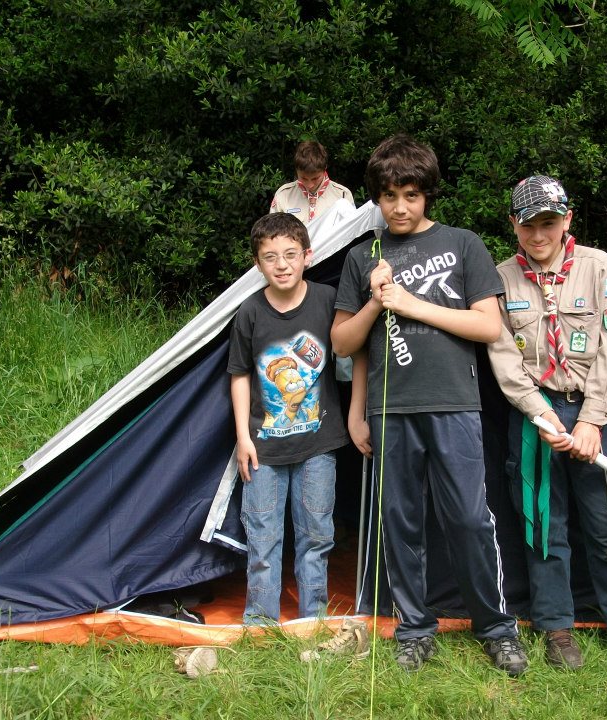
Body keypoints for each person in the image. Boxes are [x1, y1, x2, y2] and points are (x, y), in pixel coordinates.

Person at [331, 134, 528, 676]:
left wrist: (412, 303)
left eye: (411, 195)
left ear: (427, 196)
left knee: (468, 519)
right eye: (389, 196)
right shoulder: (361, 258)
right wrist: (375, 303)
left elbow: (488, 325)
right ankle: (414, 629)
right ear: (375, 197)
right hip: (390, 412)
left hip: (455, 405)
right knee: (401, 521)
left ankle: (496, 628)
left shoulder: (463, 245)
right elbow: (346, 344)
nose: (399, 207)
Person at [487, 175, 607, 669]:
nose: (539, 235)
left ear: (567, 220)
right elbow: (502, 355)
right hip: (535, 416)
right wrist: (539, 414)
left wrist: (593, 419)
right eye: (528, 224)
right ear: (513, 224)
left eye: (549, 223)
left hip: (592, 412)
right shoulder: (500, 277)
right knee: (542, 524)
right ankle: (556, 627)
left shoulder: (597, 266)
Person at [227, 212, 350, 624]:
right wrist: (243, 436)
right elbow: (240, 375)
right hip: (263, 447)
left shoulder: (327, 300)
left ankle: (311, 621)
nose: (281, 264)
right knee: (263, 536)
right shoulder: (250, 312)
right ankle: (260, 623)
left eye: (290, 255)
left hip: (319, 444)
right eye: (270, 257)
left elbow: (352, 350)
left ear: (307, 257)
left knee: (317, 534)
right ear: (258, 264)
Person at [270, 140, 355, 224]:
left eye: (315, 178)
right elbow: (272, 231)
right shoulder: (284, 195)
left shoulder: (342, 195)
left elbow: (351, 232)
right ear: (296, 170)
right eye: (303, 178)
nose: (310, 185)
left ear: (325, 168)